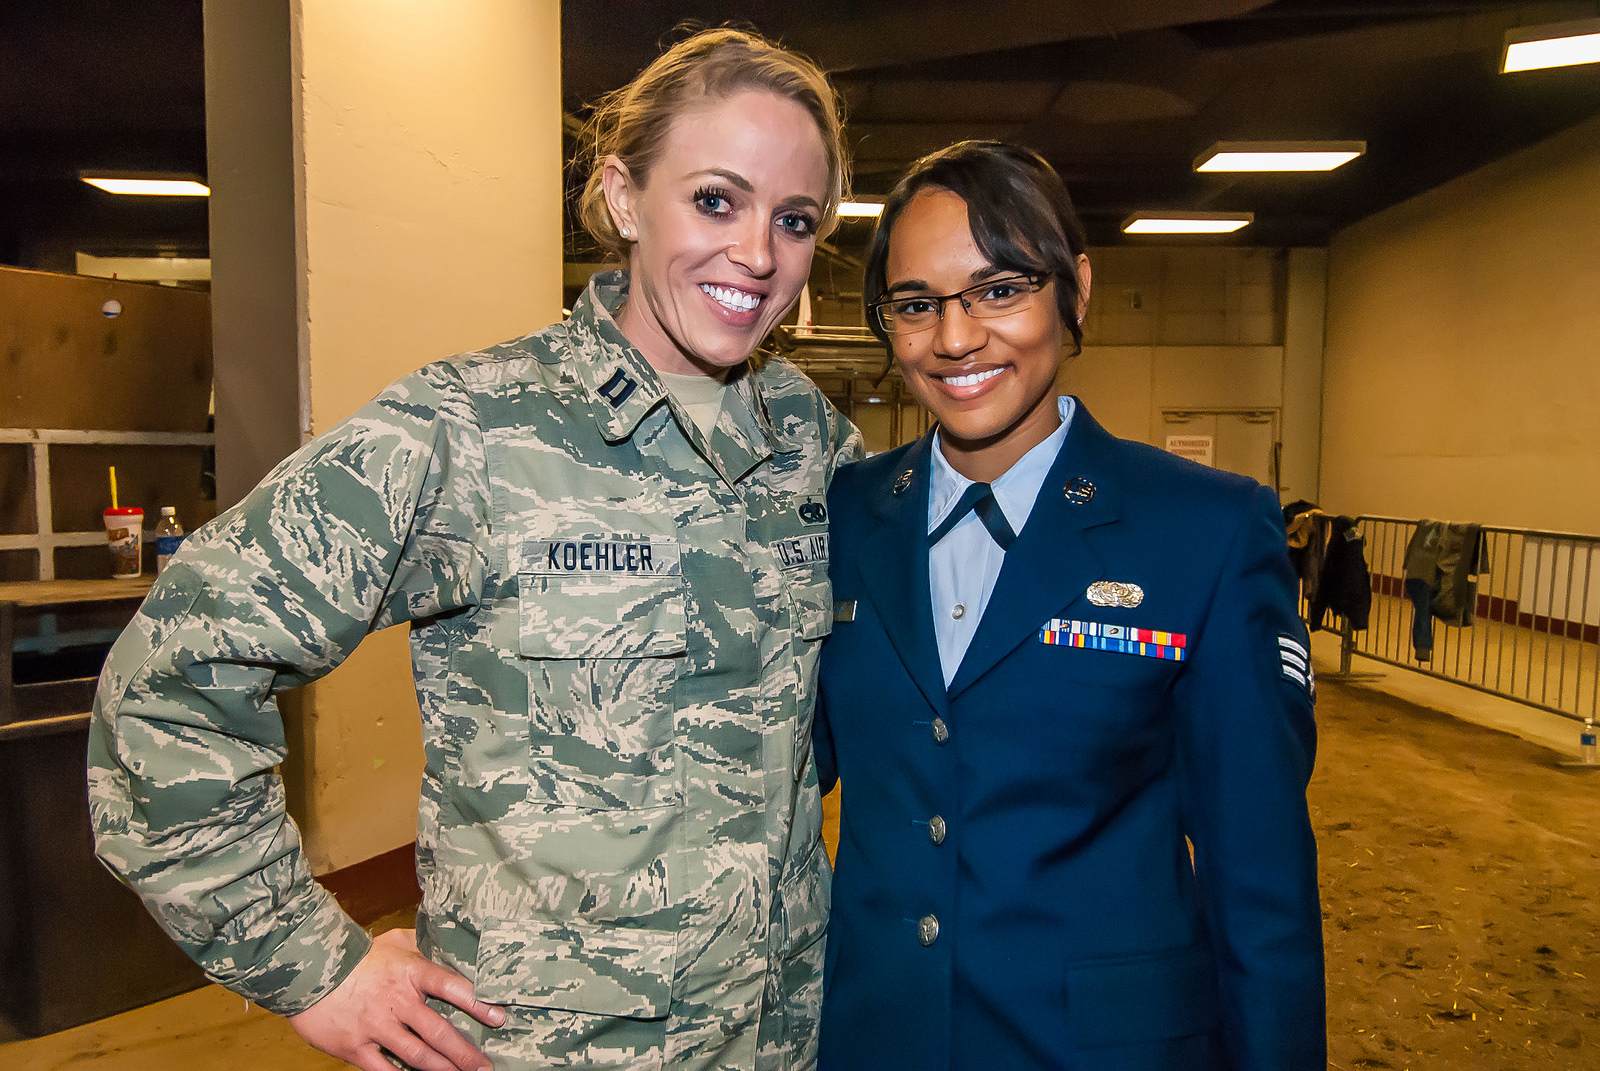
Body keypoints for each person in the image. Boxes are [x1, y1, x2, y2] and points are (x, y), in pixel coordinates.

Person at [88, 28, 860, 1071]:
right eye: (715, 201)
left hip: (782, 1044)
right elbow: (168, 680)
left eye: (795, 219)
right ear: (625, 198)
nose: (757, 253)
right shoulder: (471, 432)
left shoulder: (811, 446)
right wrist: (309, 966)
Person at [813, 141, 1324, 1070]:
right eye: (917, 304)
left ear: (1075, 290)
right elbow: (760, 780)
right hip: (874, 1038)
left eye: (1000, 288)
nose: (957, 338)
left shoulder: (1202, 530)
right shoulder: (844, 516)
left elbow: (1261, 884)